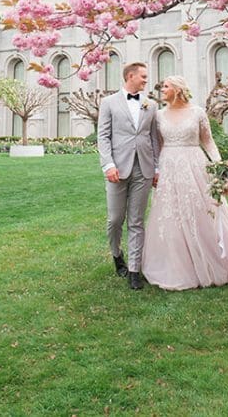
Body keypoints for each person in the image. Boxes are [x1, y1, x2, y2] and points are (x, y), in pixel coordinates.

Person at [142, 75, 228, 291]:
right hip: (169, 167)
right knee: (170, 213)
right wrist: (156, 170)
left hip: (195, 165)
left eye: (166, 86)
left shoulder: (197, 112)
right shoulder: (158, 115)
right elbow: (159, 145)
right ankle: (175, 264)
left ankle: (214, 258)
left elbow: (208, 142)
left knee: (201, 210)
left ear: (178, 89)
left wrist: (220, 167)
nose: (162, 89)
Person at [97, 62, 160, 290]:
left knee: (136, 221)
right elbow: (103, 137)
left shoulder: (150, 104)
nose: (145, 80)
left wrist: (156, 168)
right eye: (143, 76)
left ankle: (134, 270)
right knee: (115, 220)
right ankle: (117, 255)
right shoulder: (108, 103)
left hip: (143, 169)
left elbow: (153, 139)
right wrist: (108, 165)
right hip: (116, 169)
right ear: (130, 76)